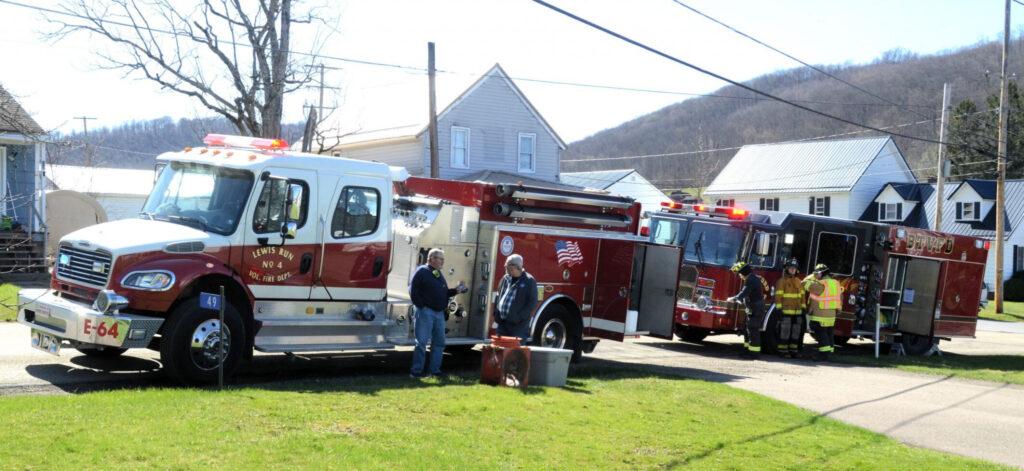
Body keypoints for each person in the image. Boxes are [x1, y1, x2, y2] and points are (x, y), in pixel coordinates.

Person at [409, 248, 467, 378]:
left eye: (443, 259)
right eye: (440, 258)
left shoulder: (437, 273)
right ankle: (416, 372)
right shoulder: (421, 271)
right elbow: (413, 291)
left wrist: (455, 291)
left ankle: (434, 371)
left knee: (439, 342)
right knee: (421, 343)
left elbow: (444, 292)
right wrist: (421, 307)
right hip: (426, 312)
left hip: (439, 313)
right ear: (431, 258)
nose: (443, 261)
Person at [494, 254, 538, 346]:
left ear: (516, 266)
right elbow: (498, 296)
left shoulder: (529, 280)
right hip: (502, 324)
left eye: (508, 264)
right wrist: (496, 313)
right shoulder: (505, 278)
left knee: (515, 354)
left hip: (518, 327)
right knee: (498, 351)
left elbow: (532, 302)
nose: (505, 266)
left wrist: (519, 317)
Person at [803, 263, 843, 362]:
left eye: (817, 273)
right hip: (831, 315)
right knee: (829, 334)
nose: (816, 274)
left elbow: (803, 284)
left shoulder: (821, 284)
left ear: (821, 273)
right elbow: (840, 297)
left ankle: (823, 354)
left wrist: (813, 275)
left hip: (820, 315)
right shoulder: (836, 283)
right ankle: (829, 352)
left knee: (821, 334)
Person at [727, 261, 767, 359]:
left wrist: (735, 298)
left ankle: (754, 353)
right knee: (747, 329)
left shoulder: (751, 280)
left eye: (740, 273)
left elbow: (745, 291)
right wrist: (741, 300)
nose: (739, 276)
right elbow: (748, 293)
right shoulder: (752, 278)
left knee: (753, 330)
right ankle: (748, 350)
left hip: (755, 308)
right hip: (752, 308)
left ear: (744, 272)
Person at [774, 258, 806, 358]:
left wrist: (803, 308)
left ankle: (794, 351)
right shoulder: (781, 281)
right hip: (786, 311)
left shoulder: (799, 282)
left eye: (794, 268)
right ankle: (782, 351)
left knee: (796, 332)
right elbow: (778, 297)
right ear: (787, 269)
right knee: (785, 331)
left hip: (798, 312)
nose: (793, 270)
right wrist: (779, 309)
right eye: (791, 268)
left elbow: (803, 297)